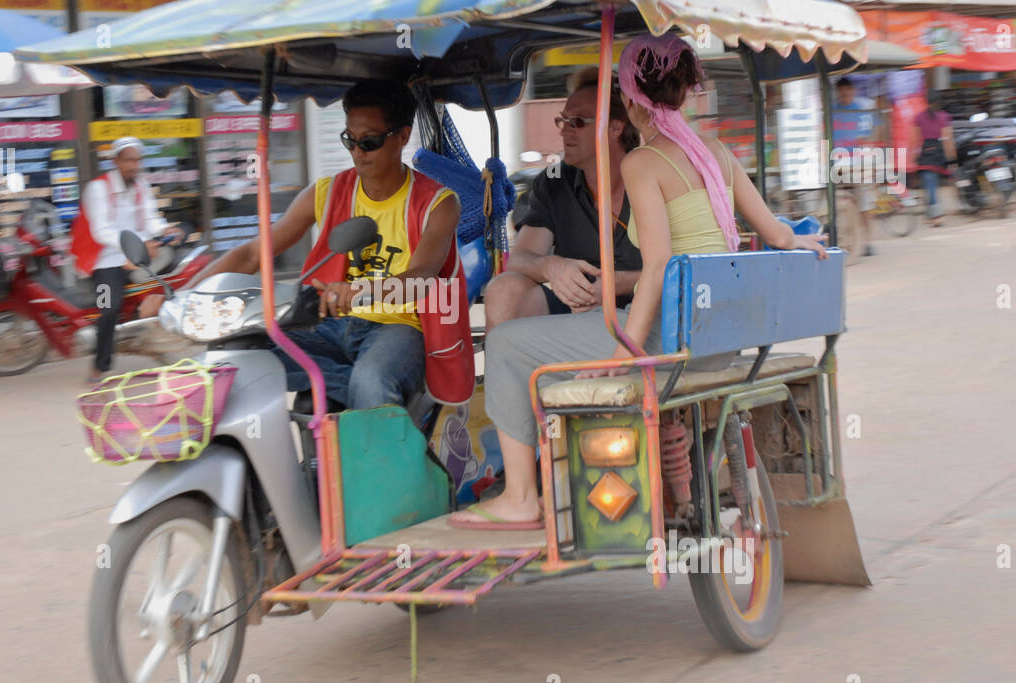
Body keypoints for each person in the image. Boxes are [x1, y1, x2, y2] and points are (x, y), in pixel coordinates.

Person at [450, 32, 827, 530]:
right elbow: (776, 232)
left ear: (629, 100)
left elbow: (659, 268)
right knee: (543, 345)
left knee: (505, 347)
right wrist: (804, 241)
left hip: (671, 338)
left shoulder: (642, 163)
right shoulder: (716, 151)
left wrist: (627, 349)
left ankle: (521, 496)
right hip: (720, 339)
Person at [187, 78, 470, 411]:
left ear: (403, 136)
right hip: (328, 323)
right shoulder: (327, 192)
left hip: (396, 327)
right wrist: (185, 296)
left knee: (371, 379)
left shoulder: (437, 203)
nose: (357, 153)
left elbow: (422, 277)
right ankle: (343, 389)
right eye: (350, 140)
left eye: (370, 142)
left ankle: (373, 452)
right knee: (236, 349)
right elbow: (252, 253)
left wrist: (366, 290)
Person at [483, 68, 642, 331]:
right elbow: (520, 259)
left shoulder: (653, 175)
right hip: (576, 318)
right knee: (503, 289)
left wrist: (617, 283)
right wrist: (551, 267)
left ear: (616, 126)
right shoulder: (555, 181)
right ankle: (505, 371)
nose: (564, 132)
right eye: (562, 121)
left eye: (577, 122)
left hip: (647, 315)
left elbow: (682, 270)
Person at [82, 136, 184, 386]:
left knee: (178, 282)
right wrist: (138, 245)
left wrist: (166, 230)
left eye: (138, 160)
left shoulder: (141, 185)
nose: (134, 166)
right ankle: (99, 366)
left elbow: (150, 220)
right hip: (106, 261)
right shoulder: (98, 188)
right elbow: (101, 231)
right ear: (116, 161)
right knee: (108, 309)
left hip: (139, 256)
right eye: (129, 160)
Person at [832, 76, 879, 254]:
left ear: (853, 91)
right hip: (838, 163)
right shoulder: (833, 111)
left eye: (847, 92)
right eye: (841, 93)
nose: (844, 95)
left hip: (859, 163)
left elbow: (867, 137)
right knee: (833, 201)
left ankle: (868, 242)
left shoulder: (861, 111)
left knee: (865, 203)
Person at [909, 91, 957, 226]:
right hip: (939, 152)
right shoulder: (944, 117)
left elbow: (915, 140)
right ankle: (933, 215)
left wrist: (913, 157)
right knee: (933, 186)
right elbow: (948, 140)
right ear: (939, 103)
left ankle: (937, 216)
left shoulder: (918, 117)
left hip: (925, 152)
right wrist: (952, 159)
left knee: (929, 186)